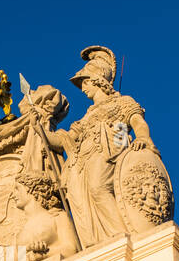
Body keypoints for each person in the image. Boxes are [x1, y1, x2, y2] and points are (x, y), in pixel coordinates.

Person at [37, 46, 158, 247]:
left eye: (84, 82)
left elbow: (137, 123)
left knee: (99, 188)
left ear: (97, 80)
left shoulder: (122, 102)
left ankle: (120, 236)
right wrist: (41, 129)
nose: (83, 88)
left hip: (108, 151)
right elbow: (64, 139)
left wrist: (143, 139)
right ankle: (94, 243)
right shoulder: (87, 116)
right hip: (82, 160)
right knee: (79, 196)